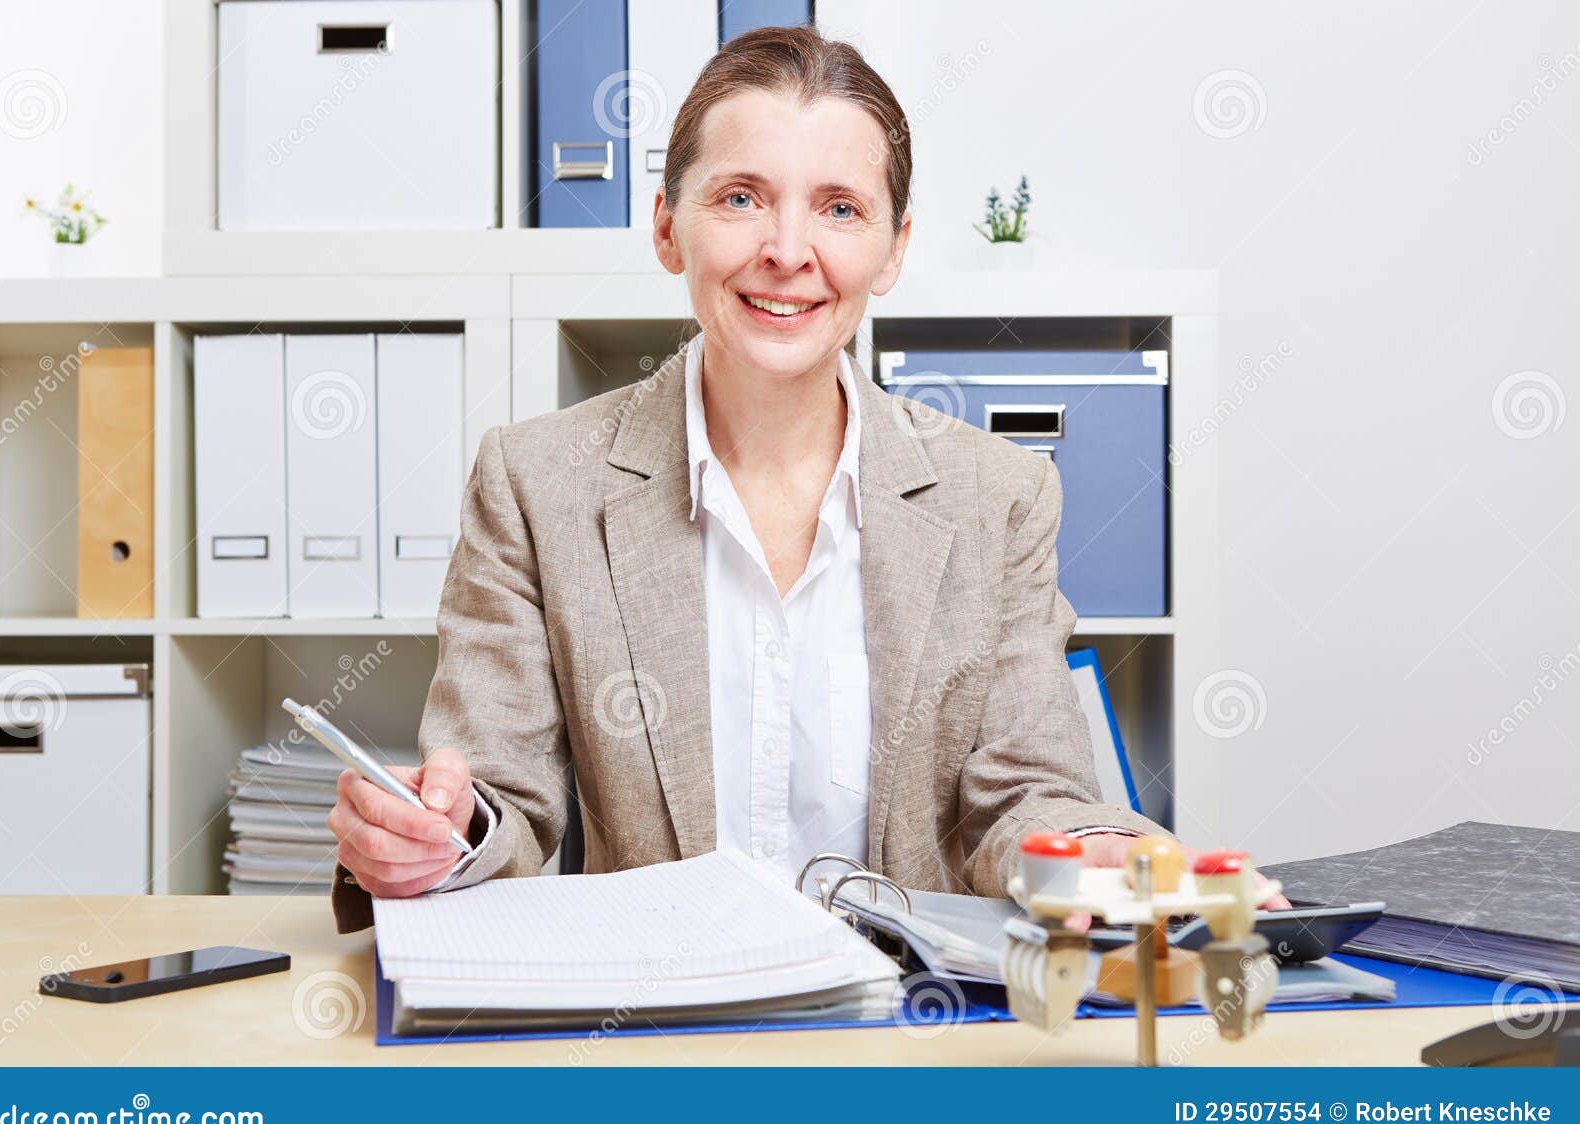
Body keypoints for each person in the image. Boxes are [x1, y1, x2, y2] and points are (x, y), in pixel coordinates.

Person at [326, 25, 1287, 933]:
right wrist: (433, 840)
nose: (788, 251)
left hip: (912, 1035)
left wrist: (1106, 856)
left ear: (895, 248)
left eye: (839, 208)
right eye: (740, 197)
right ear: (668, 228)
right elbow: (502, 801)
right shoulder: (537, 483)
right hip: (660, 1036)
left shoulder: (998, 496)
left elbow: (1027, 795)